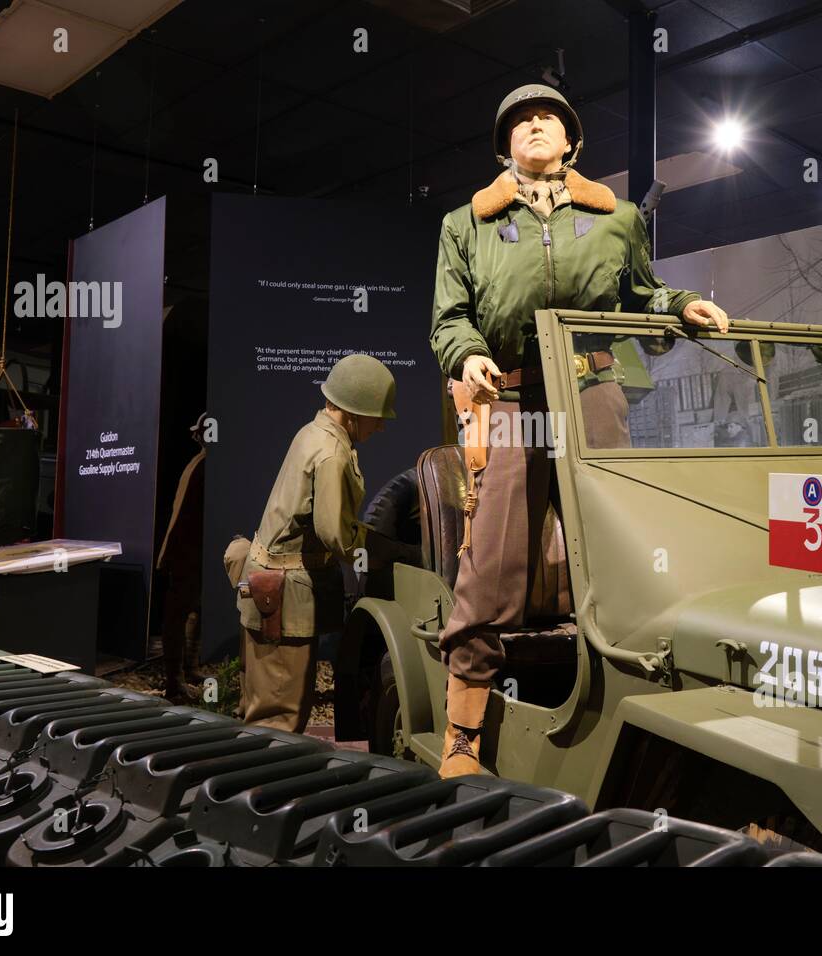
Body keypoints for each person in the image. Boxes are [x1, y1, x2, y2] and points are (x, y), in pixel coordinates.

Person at [430, 83, 730, 777]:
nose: (535, 126)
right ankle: (463, 734)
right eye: (521, 122)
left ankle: (634, 703)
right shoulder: (464, 225)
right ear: (505, 144)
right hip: (509, 397)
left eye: (549, 119)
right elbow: (450, 315)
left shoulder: (616, 217)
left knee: (618, 549)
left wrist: (681, 303)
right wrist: (467, 352)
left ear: (571, 142)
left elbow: (641, 292)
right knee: (494, 561)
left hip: (591, 390)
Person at [235, 354, 416, 733]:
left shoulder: (312, 433)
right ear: (355, 410)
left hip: (275, 590)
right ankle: (262, 790)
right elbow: (337, 534)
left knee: (267, 707)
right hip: (283, 598)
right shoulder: (332, 453)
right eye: (378, 416)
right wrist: (387, 555)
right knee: (278, 720)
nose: (382, 426)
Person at [156, 413, 208, 703]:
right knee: (178, 614)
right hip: (188, 552)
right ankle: (174, 681)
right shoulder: (202, 466)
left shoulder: (201, 464)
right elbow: (183, 517)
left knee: (195, 609)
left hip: (193, 551)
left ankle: (189, 668)